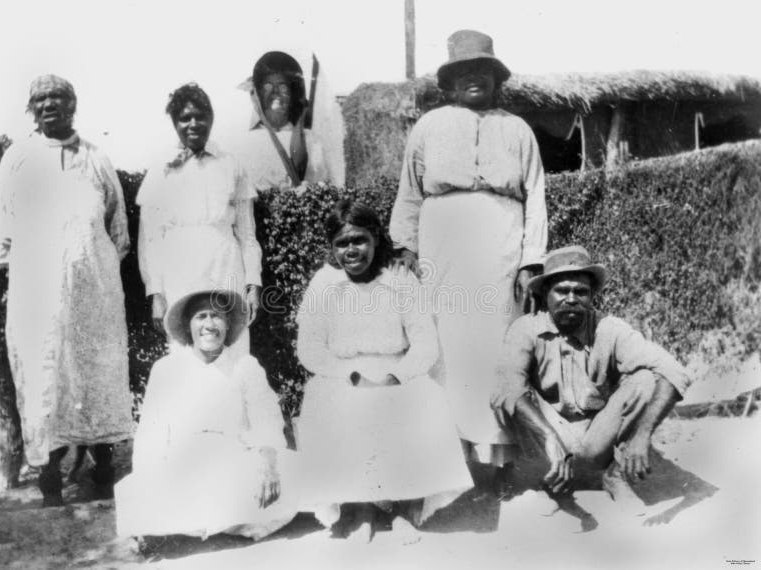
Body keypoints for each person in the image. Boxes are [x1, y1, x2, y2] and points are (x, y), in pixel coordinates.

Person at [389, 29, 548, 478]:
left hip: (501, 245)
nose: (474, 78)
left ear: (497, 79)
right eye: (464, 71)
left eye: (484, 70)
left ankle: (498, 461)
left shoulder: (517, 130)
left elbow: (535, 196)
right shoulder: (430, 127)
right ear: (450, 83)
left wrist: (530, 260)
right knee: (445, 345)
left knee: (494, 347)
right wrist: (406, 248)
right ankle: (449, 458)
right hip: (444, 245)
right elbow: (410, 192)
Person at [0, 74, 133, 506]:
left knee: (96, 371)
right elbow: (0, 236)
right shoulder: (18, 159)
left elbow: (118, 229)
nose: (50, 104)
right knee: (44, 373)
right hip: (38, 294)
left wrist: (86, 263)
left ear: (73, 104)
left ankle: (103, 470)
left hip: (94, 291)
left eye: (59, 97)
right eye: (41, 98)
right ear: (31, 109)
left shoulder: (96, 158)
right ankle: (49, 478)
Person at [296, 200, 473, 543]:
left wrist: (397, 376)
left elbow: (424, 342)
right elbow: (310, 348)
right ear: (331, 248)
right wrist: (351, 378)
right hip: (342, 375)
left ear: (375, 237)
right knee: (330, 403)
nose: (352, 250)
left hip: (396, 370)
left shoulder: (399, 278)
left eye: (359, 239)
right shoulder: (323, 282)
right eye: (342, 243)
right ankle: (361, 510)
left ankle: (404, 509)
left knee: (423, 399)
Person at [491, 246, 692, 517]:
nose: (571, 299)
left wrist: (642, 435)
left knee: (645, 379)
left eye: (581, 292)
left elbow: (674, 371)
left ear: (591, 296)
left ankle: (614, 475)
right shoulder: (525, 328)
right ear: (545, 295)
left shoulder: (608, 327)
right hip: (546, 437)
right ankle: (545, 482)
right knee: (511, 396)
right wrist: (549, 436)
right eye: (562, 291)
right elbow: (507, 390)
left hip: (596, 437)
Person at [115, 289, 298, 540]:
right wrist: (151, 477)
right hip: (183, 467)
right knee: (134, 490)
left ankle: (194, 525)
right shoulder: (165, 369)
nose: (209, 325)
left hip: (235, 463)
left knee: (291, 473)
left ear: (228, 324)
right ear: (188, 325)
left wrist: (267, 465)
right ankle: (223, 521)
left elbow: (266, 418)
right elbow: (150, 434)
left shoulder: (245, 366)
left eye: (217, 316)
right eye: (201, 316)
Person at [137, 83, 262, 352]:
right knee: (185, 348)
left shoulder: (231, 163)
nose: (193, 124)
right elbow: (149, 240)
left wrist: (253, 283)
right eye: (185, 118)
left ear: (211, 119)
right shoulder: (161, 168)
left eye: (201, 116)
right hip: (180, 271)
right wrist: (155, 292)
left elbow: (248, 234)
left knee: (232, 346)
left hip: (225, 266)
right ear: (174, 122)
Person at [234, 51, 337, 194]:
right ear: (258, 94)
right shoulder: (245, 144)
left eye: (283, 87)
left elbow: (325, 185)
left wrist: (310, 191)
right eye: (268, 86)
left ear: (292, 94)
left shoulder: (311, 141)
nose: (275, 92)